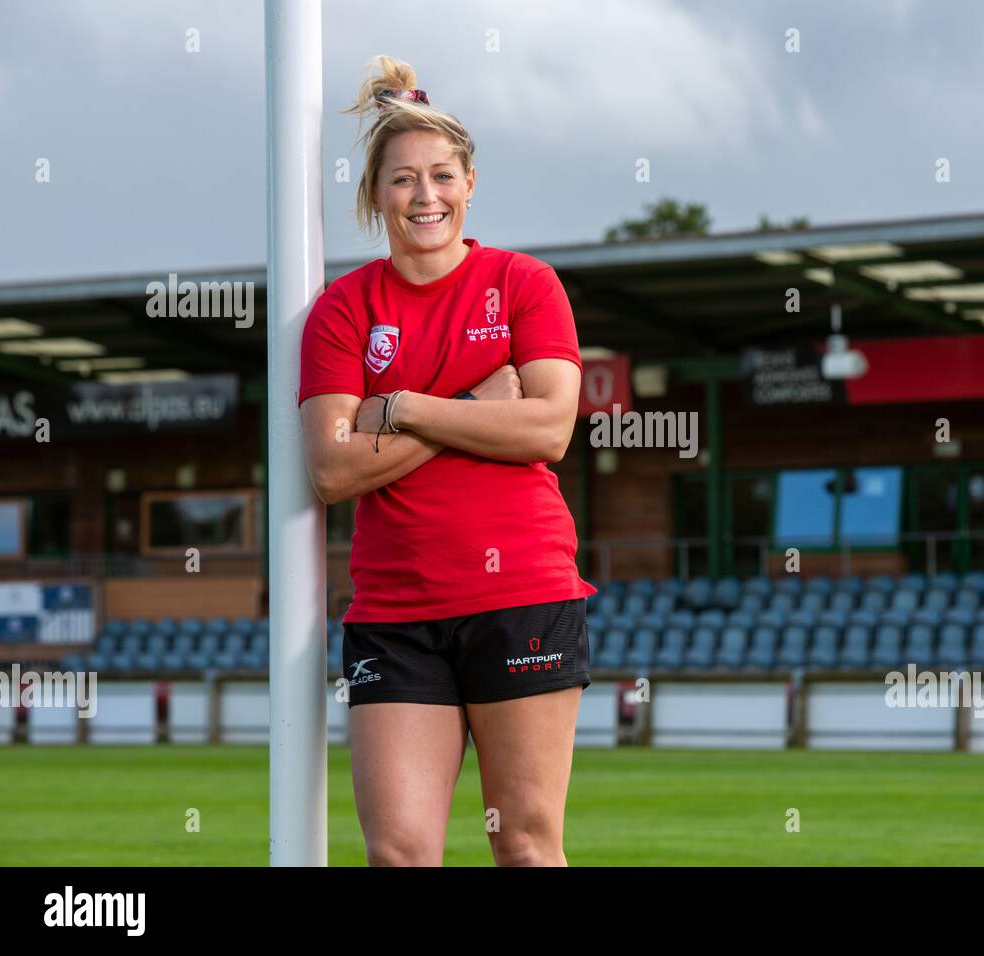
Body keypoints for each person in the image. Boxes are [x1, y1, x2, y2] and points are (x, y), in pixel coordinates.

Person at [297, 54, 596, 867]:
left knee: (528, 845)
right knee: (399, 853)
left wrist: (398, 410)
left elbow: (548, 431)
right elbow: (330, 471)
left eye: (441, 176)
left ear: (470, 183)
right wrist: (471, 409)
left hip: (523, 593)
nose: (424, 196)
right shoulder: (341, 311)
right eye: (401, 180)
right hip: (395, 613)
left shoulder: (524, 283)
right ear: (373, 195)